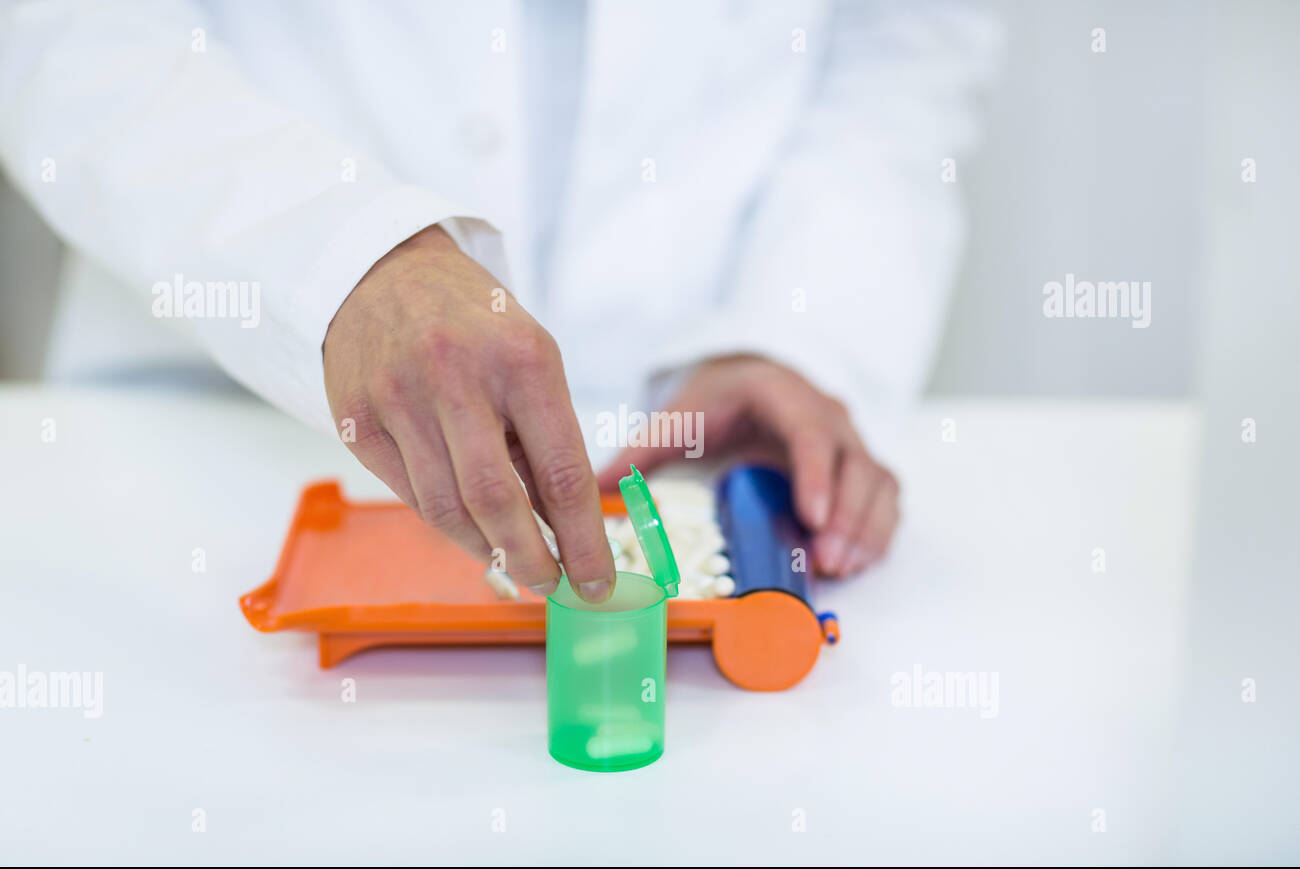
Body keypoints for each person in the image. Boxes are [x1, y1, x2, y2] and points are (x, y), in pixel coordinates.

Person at [0, 0, 998, 601]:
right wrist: (336, 250)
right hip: (216, 412)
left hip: (683, 424)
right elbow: (60, 29)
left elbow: (903, 47)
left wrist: (790, 327)